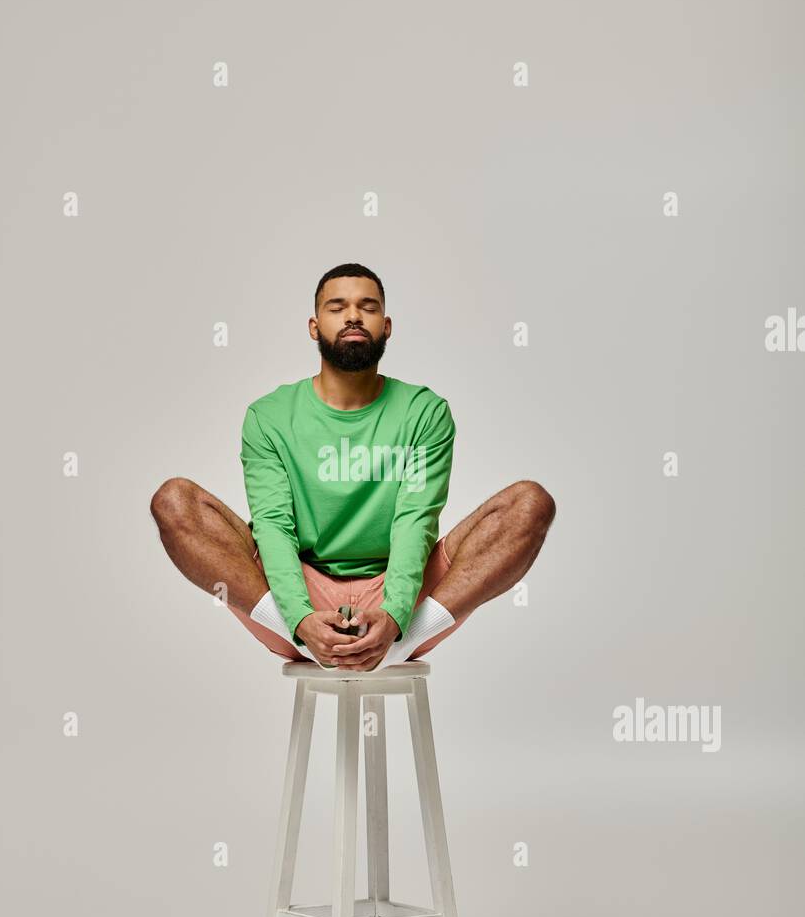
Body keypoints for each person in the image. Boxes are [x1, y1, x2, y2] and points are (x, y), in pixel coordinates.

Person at [150, 263, 556, 671]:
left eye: (368, 306)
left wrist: (396, 617)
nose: (353, 316)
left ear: (386, 326)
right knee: (174, 500)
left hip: (405, 594)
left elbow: (415, 520)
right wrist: (299, 619)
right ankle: (308, 640)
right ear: (314, 326)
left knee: (530, 503)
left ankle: (399, 643)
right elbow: (273, 526)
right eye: (337, 307)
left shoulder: (424, 411)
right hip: (297, 590)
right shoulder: (268, 416)